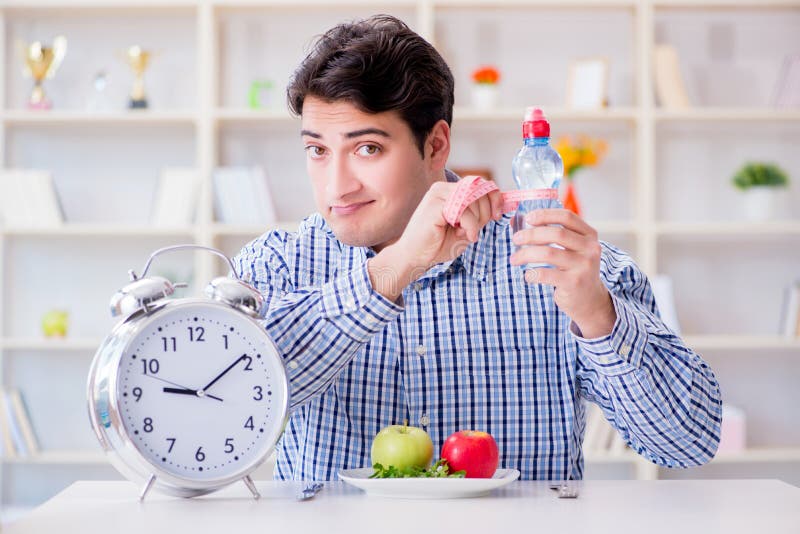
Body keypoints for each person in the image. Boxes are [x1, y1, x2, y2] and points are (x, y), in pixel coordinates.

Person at [234, 14, 722, 481]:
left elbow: (688, 442)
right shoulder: (276, 266)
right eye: (318, 151)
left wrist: (597, 316)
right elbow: (233, 414)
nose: (335, 187)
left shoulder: (558, 267)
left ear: (436, 146)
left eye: (367, 149)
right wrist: (394, 269)